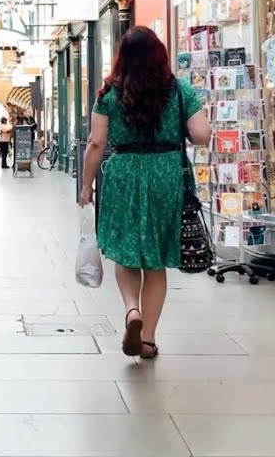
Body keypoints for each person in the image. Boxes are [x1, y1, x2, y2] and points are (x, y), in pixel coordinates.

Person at [78, 26, 210, 360]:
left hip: (123, 172)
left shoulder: (108, 95)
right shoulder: (180, 91)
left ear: (123, 57)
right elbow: (202, 134)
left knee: (126, 251)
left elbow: (96, 143)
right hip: (166, 173)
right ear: (160, 55)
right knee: (156, 258)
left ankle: (130, 310)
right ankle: (148, 339)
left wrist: (85, 187)